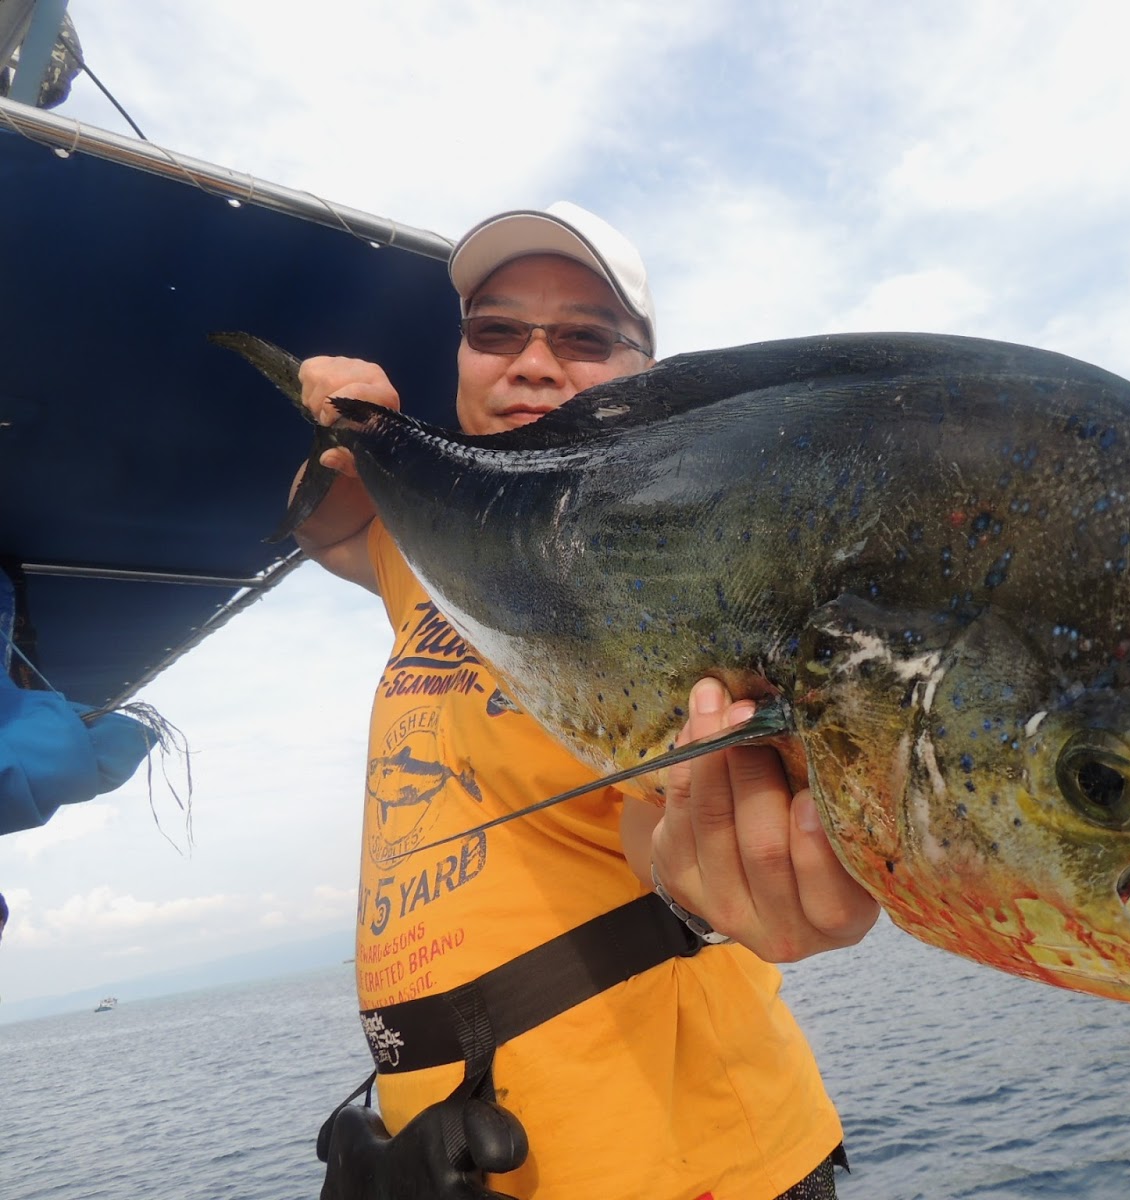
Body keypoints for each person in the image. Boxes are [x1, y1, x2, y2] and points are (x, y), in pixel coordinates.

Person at [296, 202, 880, 1200]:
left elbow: (670, 827)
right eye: (496, 332)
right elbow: (327, 525)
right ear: (464, 359)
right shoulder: (434, 555)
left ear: (649, 380)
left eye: (583, 338)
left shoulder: (683, 572)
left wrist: (741, 878)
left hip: (693, 1166)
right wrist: (340, 425)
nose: (531, 363)